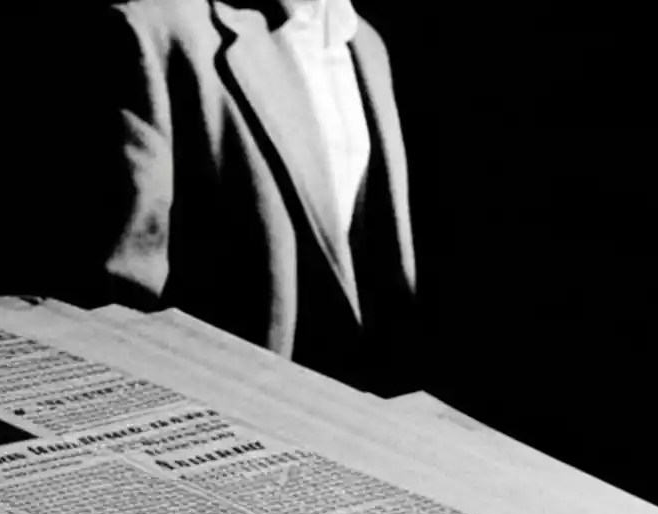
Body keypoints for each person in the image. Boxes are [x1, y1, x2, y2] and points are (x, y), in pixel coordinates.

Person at [98, 0, 421, 396]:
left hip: (361, 431)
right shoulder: (153, 27)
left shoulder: (364, 44)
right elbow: (118, 316)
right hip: (221, 423)